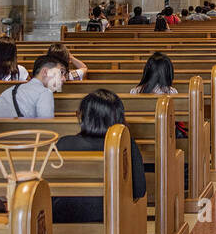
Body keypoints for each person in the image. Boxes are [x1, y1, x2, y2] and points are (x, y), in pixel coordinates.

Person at [52, 90, 146, 224]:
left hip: (63, 216)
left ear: (83, 116)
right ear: (119, 117)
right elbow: (139, 190)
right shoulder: (125, 145)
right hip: (111, 216)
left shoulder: (63, 143)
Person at [0, 55, 65, 119]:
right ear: (45, 72)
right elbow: (47, 127)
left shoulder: (9, 90)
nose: (64, 79)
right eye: (61, 72)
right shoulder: (45, 92)